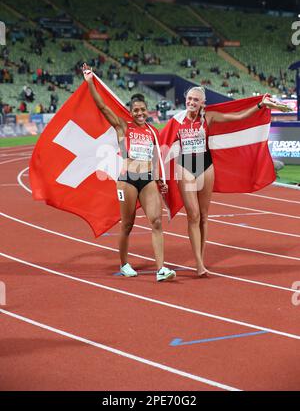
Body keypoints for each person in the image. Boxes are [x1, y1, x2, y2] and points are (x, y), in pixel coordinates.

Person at [173, 86, 291, 276]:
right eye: (190, 99)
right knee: (193, 215)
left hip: (205, 165)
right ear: (185, 99)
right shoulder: (177, 120)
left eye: (196, 100)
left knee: (203, 216)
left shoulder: (208, 117)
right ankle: (198, 263)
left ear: (203, 103)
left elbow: (238, 117)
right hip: (185, 166)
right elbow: (161, 140)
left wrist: (260, 104)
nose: (192, 102)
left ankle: (200, 260)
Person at [82, 63, 176, 282]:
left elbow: (156, 158)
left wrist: (160, 178)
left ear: (147, 110)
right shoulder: (123, 127)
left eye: (143, 110)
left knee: (157, 222)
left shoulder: (152, 131)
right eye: (136, 110)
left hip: (147, 179)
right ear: (130, 111)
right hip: (127, 181)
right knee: (127, 224)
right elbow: (103, 107)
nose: (140, 113)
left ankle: (161, 269)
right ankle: (124, 263)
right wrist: (90, 82)